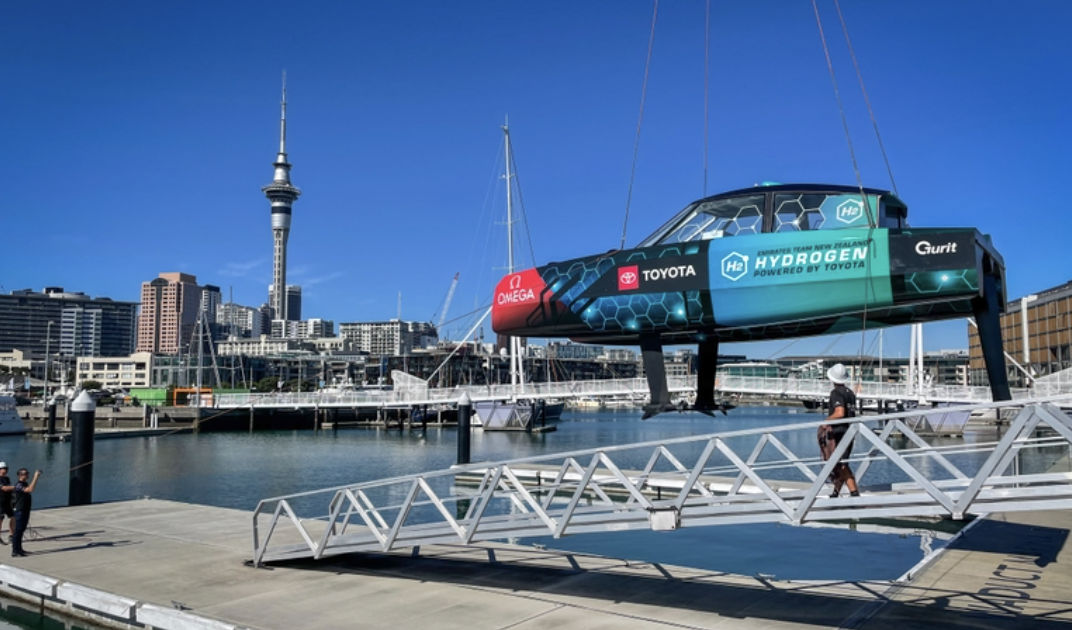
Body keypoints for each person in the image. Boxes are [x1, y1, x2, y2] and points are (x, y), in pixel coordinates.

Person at [818, 364, 859, 498]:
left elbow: (840, 412)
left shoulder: (835, 393)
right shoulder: (850, 393)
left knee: (841, 464)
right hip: (850, 430)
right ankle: (836, 492)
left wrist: (826, 421)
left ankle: (854, 494)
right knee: (840, 463)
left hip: (840, 433)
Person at [11, 468, 41, 557]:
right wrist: (35, 477)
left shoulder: (24, 484)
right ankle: (15, 550)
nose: (27, 475)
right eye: (25, 474)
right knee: (18, 531)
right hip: (20, 510)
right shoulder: (19, 485)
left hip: (25, 510)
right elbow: (30, 490)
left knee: (22, 530)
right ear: (20, 475)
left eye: (27, 473)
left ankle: (19, 549)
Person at [0, 463, 13, 544]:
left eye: (6, 468)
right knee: (0, 519)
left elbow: (8, 488)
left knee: (13, 517)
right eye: (4, 468)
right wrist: (16, 487)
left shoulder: (6, 479)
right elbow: (4, 488)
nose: (5, 470)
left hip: (8, 501)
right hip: (0, 502)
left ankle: (11, 535)